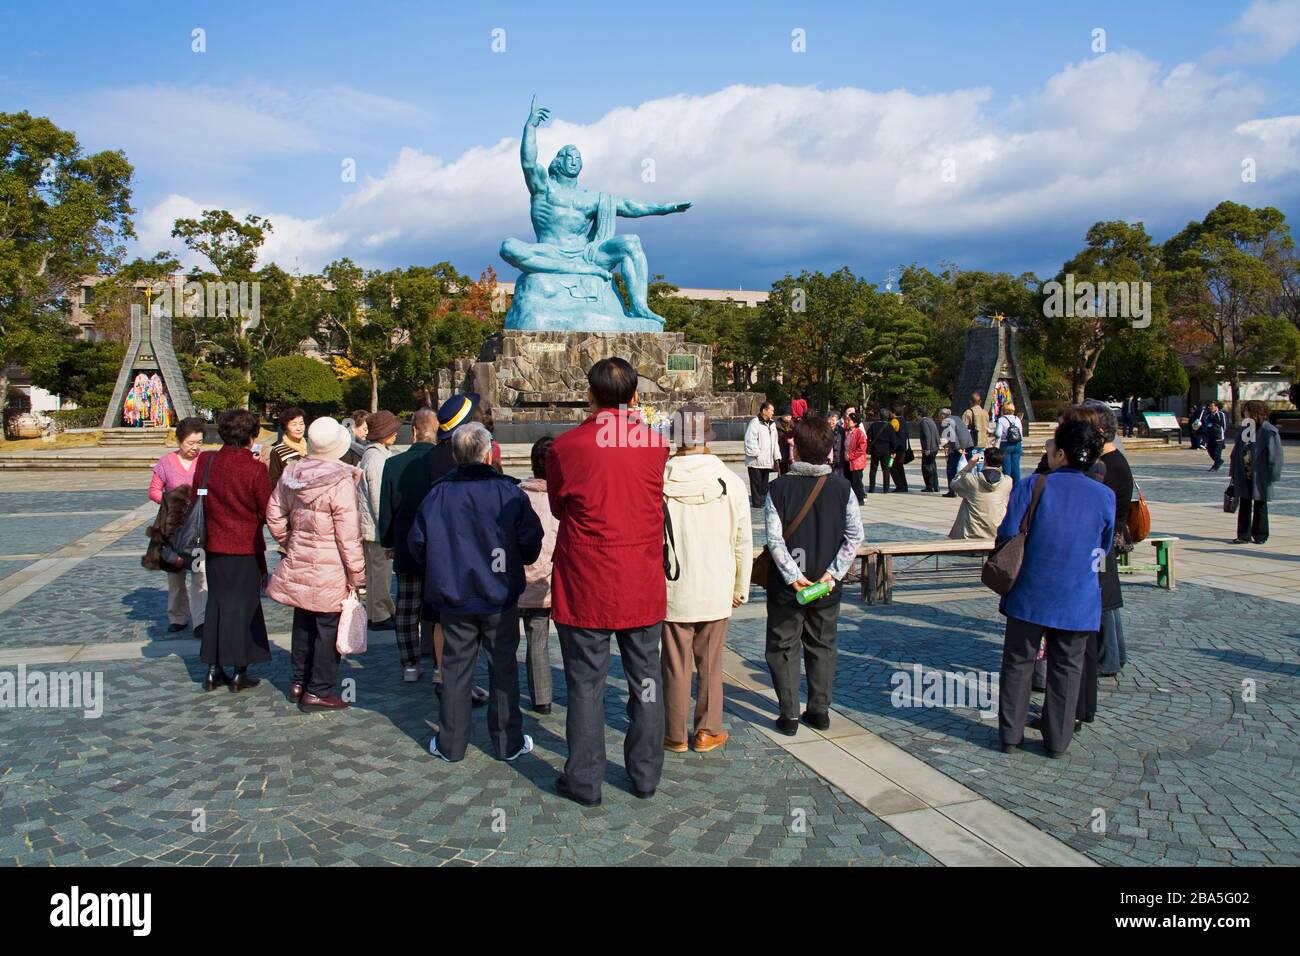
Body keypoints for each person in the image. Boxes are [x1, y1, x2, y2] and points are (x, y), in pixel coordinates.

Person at [546, 357, 669, 806]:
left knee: (585, 684)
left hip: (587, 580)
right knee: (646, 681)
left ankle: (583, 778)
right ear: (635, 397)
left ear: (590, 396)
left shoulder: (566, 447)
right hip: (638, 578)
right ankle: (645, 775)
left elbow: (560, 507)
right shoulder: (654, 444)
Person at [410, 422, 542, 763]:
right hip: (497, 594)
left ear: (456, 455)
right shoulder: (508, 492)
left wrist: (442, 569)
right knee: (503, 667)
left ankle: (452, 744)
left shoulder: (438, 493)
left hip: (456, 594)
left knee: (455, 669)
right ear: (487, 454)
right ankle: (507, 742)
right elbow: (530, 542)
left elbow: (418, 543)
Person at [996, 419, 1114, 758]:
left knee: (1019, 662)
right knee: (1067, 667)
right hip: (1078, 594)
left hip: (1031, 590)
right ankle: (1057, 740)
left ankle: (1010, 734)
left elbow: (1007, 532)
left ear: (1061, 454)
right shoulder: (1104, 495)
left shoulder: (1033, 485)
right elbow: (1103, 548)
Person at [661, 404, 752, 754]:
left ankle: (674, 733)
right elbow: (742, 538)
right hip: (716, 586)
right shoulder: (730, 481)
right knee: (711, 665)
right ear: (708, 437)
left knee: (674, 665)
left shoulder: (659, 480)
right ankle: (707, 729)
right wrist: (739, 587)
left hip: (673, 586)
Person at [764, 416, 864, 734]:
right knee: (822, 644)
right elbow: (854, 536)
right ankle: (819, 710)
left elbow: (774, 538)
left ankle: (789, 713)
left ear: (797, 449)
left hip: (787, 586)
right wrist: (831, 576)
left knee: (783, 645)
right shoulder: (842, 488)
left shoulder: (778, 489)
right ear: (829, 451)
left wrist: (793, 576)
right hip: (825, 586)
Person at [266, 418, 367, 710]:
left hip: (299, 558)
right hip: (330, 566)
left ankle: (299, 681)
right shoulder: (340, 481)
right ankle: (319, 689)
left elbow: (273, 514)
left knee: (303, 620)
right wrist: (357, 575)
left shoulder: (291, 473)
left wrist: (289, 540)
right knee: (327, 626)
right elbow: (349, 536)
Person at [194, 409, 274, 693]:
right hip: (245, 547)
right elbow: (265, 510)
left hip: (214, 544)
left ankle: (214, 668)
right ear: (251, 436)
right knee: (244, 607)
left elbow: (196, 497)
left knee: (216, 604)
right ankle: (240, 669)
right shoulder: (255, 469)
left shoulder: (207, 460)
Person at [426, 395, 491, 706]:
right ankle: (465, 682)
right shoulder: (479, 460)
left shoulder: (430, 458)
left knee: (443, 620)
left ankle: (443, 676)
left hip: (443, 560)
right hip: (479, 559)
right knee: (473, 627)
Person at [378, 407, 439, 683]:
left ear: (413, 431)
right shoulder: (443, 462)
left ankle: (410, 664)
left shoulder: (393, 465)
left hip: (405, 542)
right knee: (439, 607)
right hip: (439, 547)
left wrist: (388, 541)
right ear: (436, 430)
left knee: (407, 606)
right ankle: (440, 662)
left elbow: (386, 509)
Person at [1083, 400, 1132, 684]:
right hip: (1105, 538)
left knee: (1102, 597)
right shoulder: (1108, 462)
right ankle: (1114, 653)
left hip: (1103, 540)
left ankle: (1108, 656)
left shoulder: (1109, 466)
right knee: (1105, 597)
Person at [149, 416, 209, 635]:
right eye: (190, 443)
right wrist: (172, 500)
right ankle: (178, 616)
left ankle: (201, 618)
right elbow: (154, 490)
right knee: (175, 574)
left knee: (199, 572)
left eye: (199, 442)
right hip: (173, 528)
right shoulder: (166, 462)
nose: (195, 448)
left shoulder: (205, 461)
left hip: (198, 527)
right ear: (179, 441)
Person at [518, 436, 560, 715]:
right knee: (539, 638)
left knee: (509, 640)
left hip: (516, 580)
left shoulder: (517, 495)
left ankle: (511, 690)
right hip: (549, 582)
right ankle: (543, 698)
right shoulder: (563, 501)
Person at [357, 410, 401, 630]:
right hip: (375, 528)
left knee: (377, 573)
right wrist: (387, 529)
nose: (395, 434)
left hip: (373, 527)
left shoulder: (375, 454)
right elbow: (378, 498)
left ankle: (380, 610)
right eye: (391, 430)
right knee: (380, 573)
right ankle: (379, 614)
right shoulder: (376, 458)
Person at [1229, 400, 1283, 545]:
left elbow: (1275, 456)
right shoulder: (1246, 429)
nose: (1244, 414)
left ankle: (1260, 535)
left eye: (1247, 411)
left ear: (1256, 412)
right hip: (1244, 473)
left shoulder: (1268, 431)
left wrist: (1273, 474)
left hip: (1260, 475)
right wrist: (1233, 471)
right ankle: (1243, 535)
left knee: (1260, 505)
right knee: (1244, 504)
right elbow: (1238, 451)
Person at [948, 446, 1012, 539]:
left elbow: (954, 483)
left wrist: (969, 465)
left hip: (971, 532)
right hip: (996, 530)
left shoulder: (971, 480)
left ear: (984, 460)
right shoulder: (1008, 481)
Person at [743, 401, 779, 509]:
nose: (773, 412)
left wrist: (776, 456)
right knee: (756, 483)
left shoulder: (772, 424)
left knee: (764, 484)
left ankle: (762, 501)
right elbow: (749, 440)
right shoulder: (754, 423)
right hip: (756, 460)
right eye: (771, 410)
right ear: (764, 411)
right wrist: (757, 454)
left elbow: (775, 442)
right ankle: (757, 503)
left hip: (767, 460)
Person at [268, 406, 307, 484]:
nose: (299, 428)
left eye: (301, 424)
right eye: (294, 424)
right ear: (285, 427)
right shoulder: (278, 451)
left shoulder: (311, 447)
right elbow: (273, 480)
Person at [939, 406, 972, 497]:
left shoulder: (947, 421)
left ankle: (952, 491)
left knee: (951, 469)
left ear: (942, 415)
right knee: (968, 467)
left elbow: (953, 437)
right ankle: (968, 489)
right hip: (968, 444)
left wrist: (958, 449)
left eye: (939, 416)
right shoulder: (957, 418)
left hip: (958, 447)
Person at [991, 400, 1025, 486]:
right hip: (1017, 444)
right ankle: (1017, 486)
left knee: (1007, 467)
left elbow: (998, 434)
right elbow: (1021, 434)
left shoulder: (1001, 420)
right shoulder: (1017, 419)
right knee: (1016, 466)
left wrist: (993, 433)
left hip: (1006, 445)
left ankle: (1007, 486)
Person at [866, 407, 895, 494]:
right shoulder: (890, 426)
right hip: (887, 450)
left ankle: (872, 488)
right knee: (886, 469)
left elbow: (868, 437)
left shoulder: (874, 425)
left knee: (873, 469)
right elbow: (893, 440)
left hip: (875, 450)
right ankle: (886, 489)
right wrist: (893, 451)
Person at [844, 410, 867, 504]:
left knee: (857, 481)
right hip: (848, 461)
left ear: (855, 423)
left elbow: (861, 449)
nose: (847, 421)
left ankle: (860, 498)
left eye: (850, 420)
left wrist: (851, 456)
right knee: (849, 480)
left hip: (856, 462)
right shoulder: (847, 432)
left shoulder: (860, 433)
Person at [917, 407, 941, 493]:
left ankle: (929, 486)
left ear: (920, 414)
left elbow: (927, 435)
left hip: (929, 449)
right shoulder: (931, 420)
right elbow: (936, 434)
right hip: (934, 447)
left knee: (927, 467)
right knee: (933, 467)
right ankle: (936, 486)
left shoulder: (924, 422)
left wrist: (927, 448)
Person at [889, 409, 911, 492]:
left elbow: (890, 431)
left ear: (893, 413)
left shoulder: (894, 421)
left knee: (890, 465)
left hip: (895, 449)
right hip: (903, 448)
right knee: (900, 467)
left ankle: (899, 485)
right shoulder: (903, 420)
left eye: (890, 412)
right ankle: (904, 485)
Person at [962, 391, 990, 456]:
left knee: (972, 461)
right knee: (980, 459)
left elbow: (963, 428)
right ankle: (980, 466)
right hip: (983, 442)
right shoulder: (985, 412)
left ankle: (974, 466)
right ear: (980, 402)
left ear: (971, 401)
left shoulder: (968, 412)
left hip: (973, 442)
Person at [1204, 401, 1227, 471]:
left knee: (1217, 451)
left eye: (1212, 406)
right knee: (1210, 450)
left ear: (1216, 407)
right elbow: (1206, 424)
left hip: (1218, 436)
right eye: (1210, 406)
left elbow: (1224, 425)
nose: (1210, 407)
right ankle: (1219, 461)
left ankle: (1216, 466)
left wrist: (1222, 434)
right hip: (1210, 436)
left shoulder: (1220, 414)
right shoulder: (1208, 415)